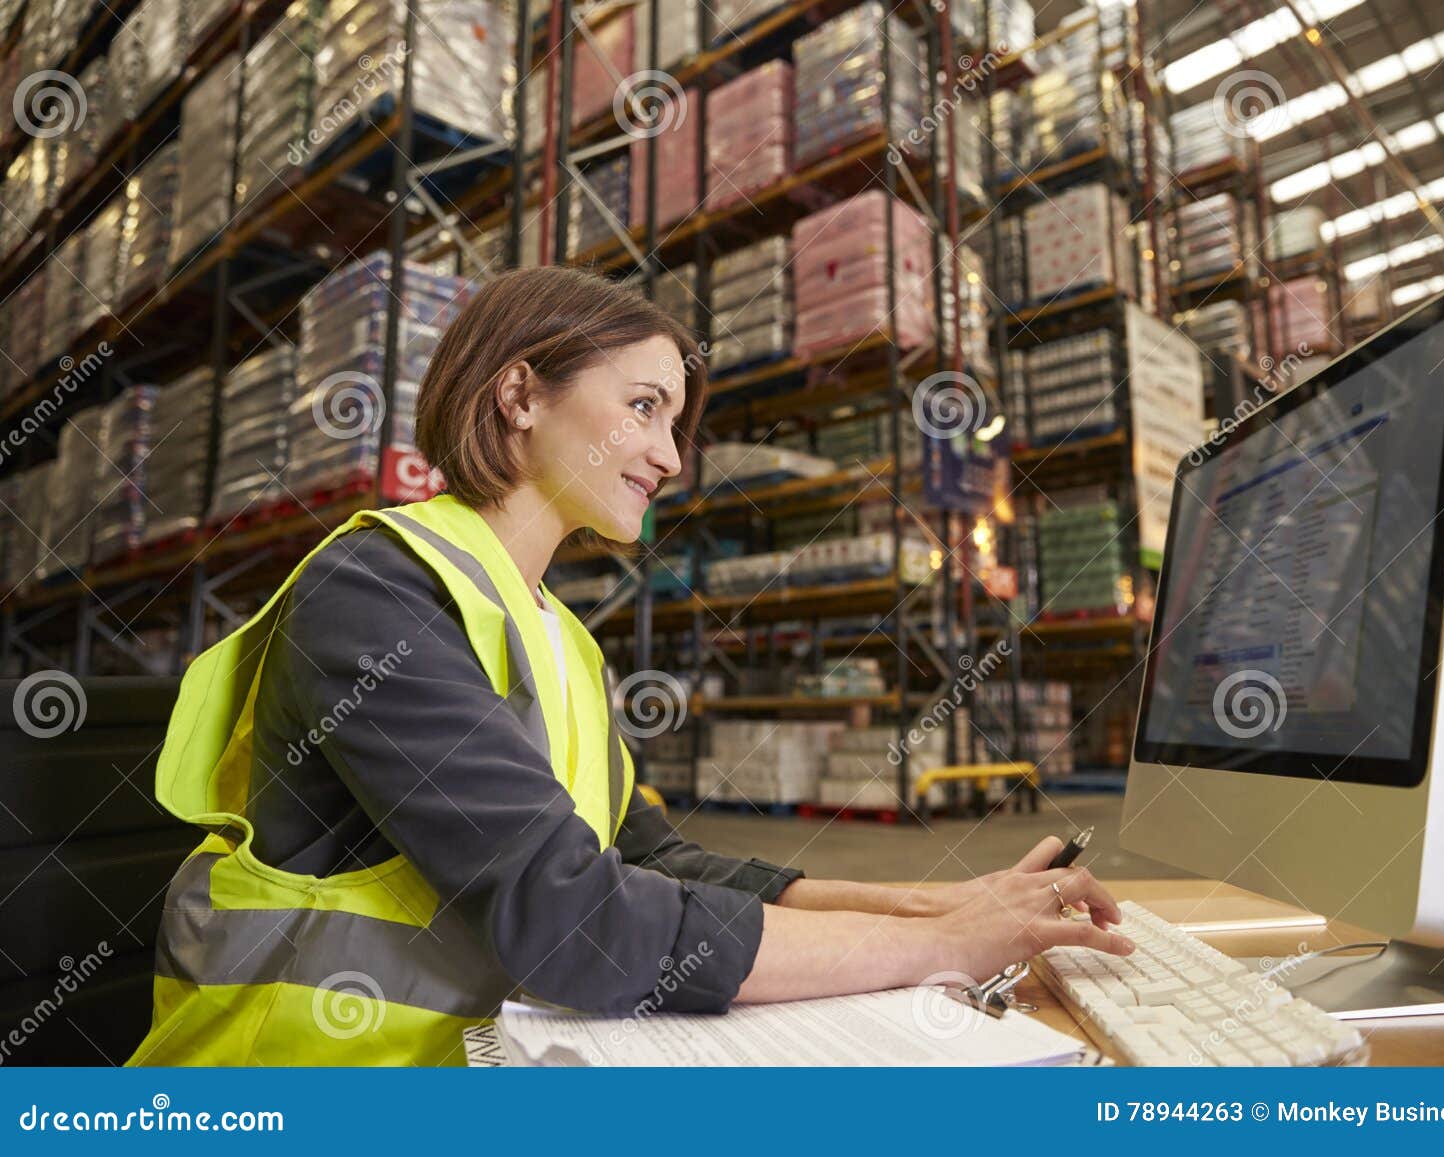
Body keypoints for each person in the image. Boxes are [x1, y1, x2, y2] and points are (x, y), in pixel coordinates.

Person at [127, 266, 1132, 1066]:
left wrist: (934, 903)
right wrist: (942, 949)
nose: (670, 455)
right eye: (643, 406)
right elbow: (574, 919)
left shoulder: (555, 633)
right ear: (519, 392)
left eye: (673, 420)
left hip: (480, 1064)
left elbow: (654, 861)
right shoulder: (372, 591)